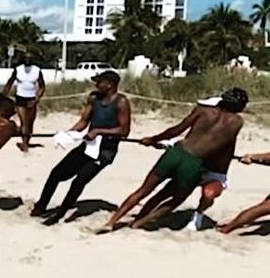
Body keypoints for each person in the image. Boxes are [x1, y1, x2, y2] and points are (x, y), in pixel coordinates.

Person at [97, 88, 249, 234]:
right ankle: (139, 224)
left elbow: (177, 129)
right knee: (176, 199)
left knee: (143, 190)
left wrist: (153, 139)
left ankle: (112, 222)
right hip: (194, 163)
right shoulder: (236, 122)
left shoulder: (203, 110)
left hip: (176, 153)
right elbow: (223, 148)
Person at [32, 70, 132, 223]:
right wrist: (68, 134)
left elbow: (124, 131)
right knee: (56, 173)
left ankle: (60, 214)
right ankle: (41, 206)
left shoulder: (121, 102)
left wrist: (99, 131)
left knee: (79, 180)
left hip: (105, 151)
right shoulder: (94, 98)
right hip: (88, 146)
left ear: (110, 85)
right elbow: (83, 121)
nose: (96, 84)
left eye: (100, 82)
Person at [132, 95, 234, 232]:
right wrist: (167, 144)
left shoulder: (228, 129)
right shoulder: (204, 123)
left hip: (212, 171)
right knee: (163, 193)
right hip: (194, 166)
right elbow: (191, 142)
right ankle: (140, 219)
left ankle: (198, 215)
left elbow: (211, 151)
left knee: (208, 194)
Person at [1, 51, 45, 151]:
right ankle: (24, 144)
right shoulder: (18, 70)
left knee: (30, 122)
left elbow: (42, 86)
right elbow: (10, 82)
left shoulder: (37, 71)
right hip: (20, 98)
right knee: (24, 122)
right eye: (25, 58)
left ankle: (26, 141)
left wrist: (37, 98)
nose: (27, 60)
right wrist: (4, 95)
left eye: (29, 58)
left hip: (32, 99)